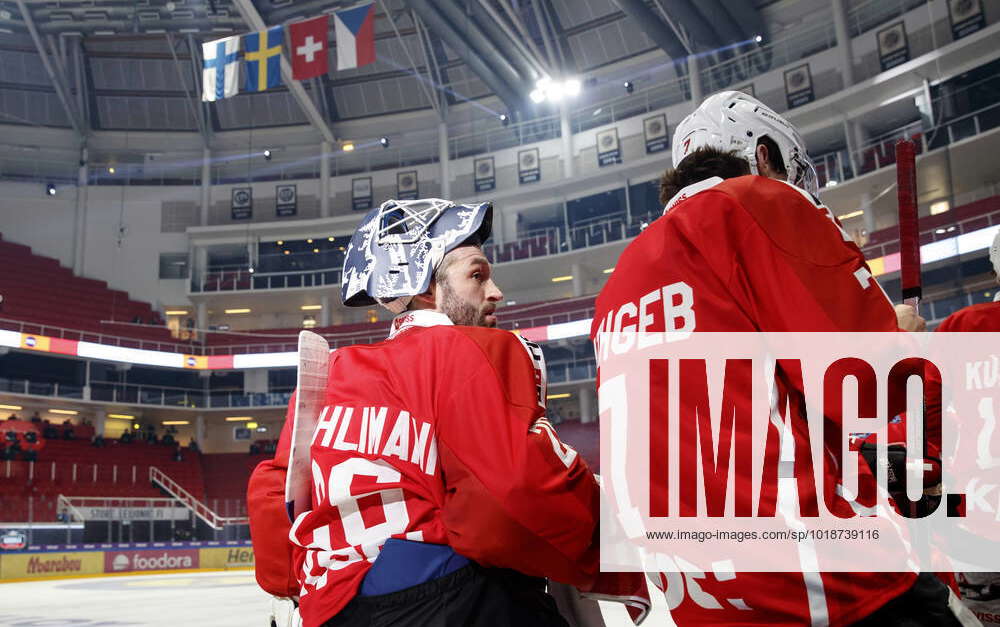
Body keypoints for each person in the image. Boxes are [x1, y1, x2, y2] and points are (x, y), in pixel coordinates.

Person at [591, 90, 970, 625]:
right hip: (820, 576)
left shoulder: (619, 282)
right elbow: (865, 388)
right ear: (764, 155)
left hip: (700, 593)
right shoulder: (759, 203)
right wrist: (900, 340)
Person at [249, 199, 639, 627]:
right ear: (424, 287)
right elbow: (515, 498)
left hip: (331, 610)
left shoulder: (332, 372)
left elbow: (272, 501)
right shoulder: (475, 350)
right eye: (477, 275)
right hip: (449, 601)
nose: (496, 293)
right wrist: (615, 545)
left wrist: (302, 583)